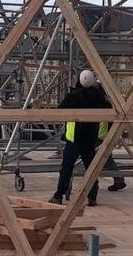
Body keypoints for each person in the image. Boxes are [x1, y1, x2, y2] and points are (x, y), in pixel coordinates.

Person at [50, 70, 116, 206]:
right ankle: (92, 197)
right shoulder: (98, 97)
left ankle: (59, 195)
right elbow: (111, 112)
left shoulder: (73, 96)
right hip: (90, 138)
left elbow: (59, 110)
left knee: (67, 168)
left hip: (74, 138)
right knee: (90, 169)